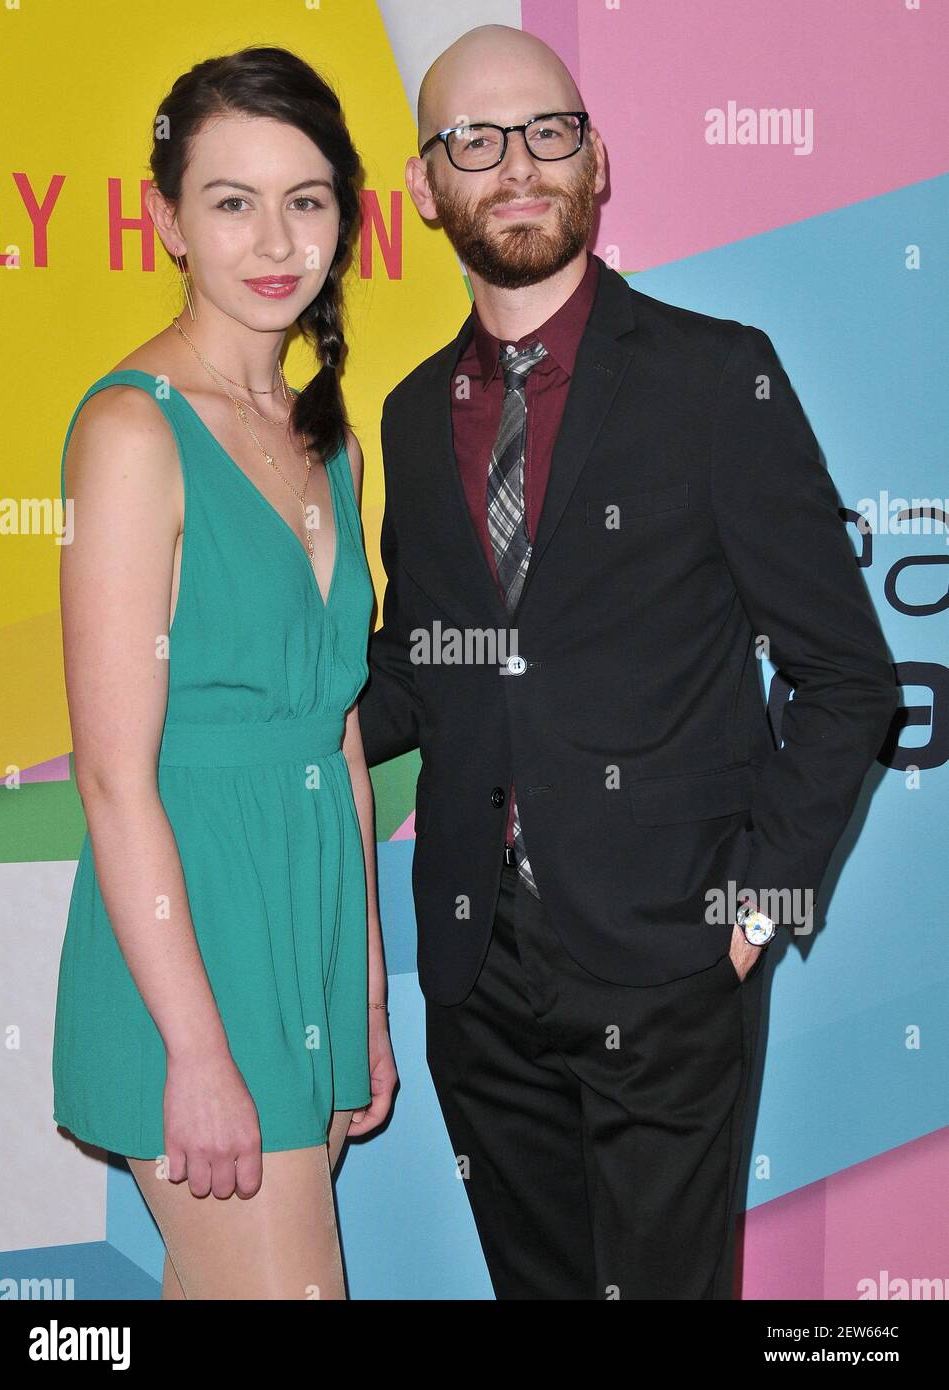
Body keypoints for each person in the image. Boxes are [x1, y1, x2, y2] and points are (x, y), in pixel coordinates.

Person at [357, 24, 899, 1299]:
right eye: (473, 140)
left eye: (547, 132)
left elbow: (846, 676)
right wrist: (254, 704)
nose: (517, 165)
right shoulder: (409, 414)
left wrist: (752, 914)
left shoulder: (716, 379)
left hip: (670, 963)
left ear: (595, 161)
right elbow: (422, 670)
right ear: (424, 185)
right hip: (474, 971)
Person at [52, 46, 397, 1300]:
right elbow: (111, 777)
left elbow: (339, 736)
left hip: (308, 922)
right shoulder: (131, 429)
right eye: (231, 201)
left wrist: (365, 993)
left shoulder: (325, 440)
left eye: (305, 200)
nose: (275, 240)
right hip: (192, 934)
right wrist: (194, 1050)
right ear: (167, 221)